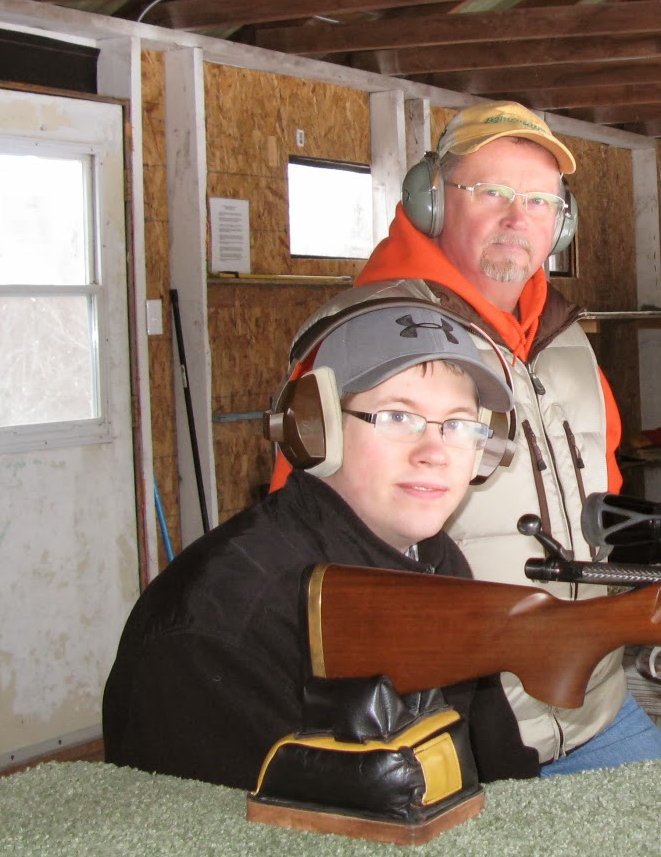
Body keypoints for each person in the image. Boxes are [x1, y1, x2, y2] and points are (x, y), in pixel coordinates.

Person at [282, 100, 661, 776]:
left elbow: (601, 502)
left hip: (595, 708)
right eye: (491, 192)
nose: (515, 217)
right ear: (432, 199)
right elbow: (306, 557)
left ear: (562, 222)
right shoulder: (364, 340)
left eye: (537, 200)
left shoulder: (565, 343)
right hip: (458, 730)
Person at [102, 300, 538, 789]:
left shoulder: (438, 563)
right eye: (398, 417)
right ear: (316, 427)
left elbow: (497, 767)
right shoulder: (221, 621)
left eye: (458, 424)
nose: (435, 453)